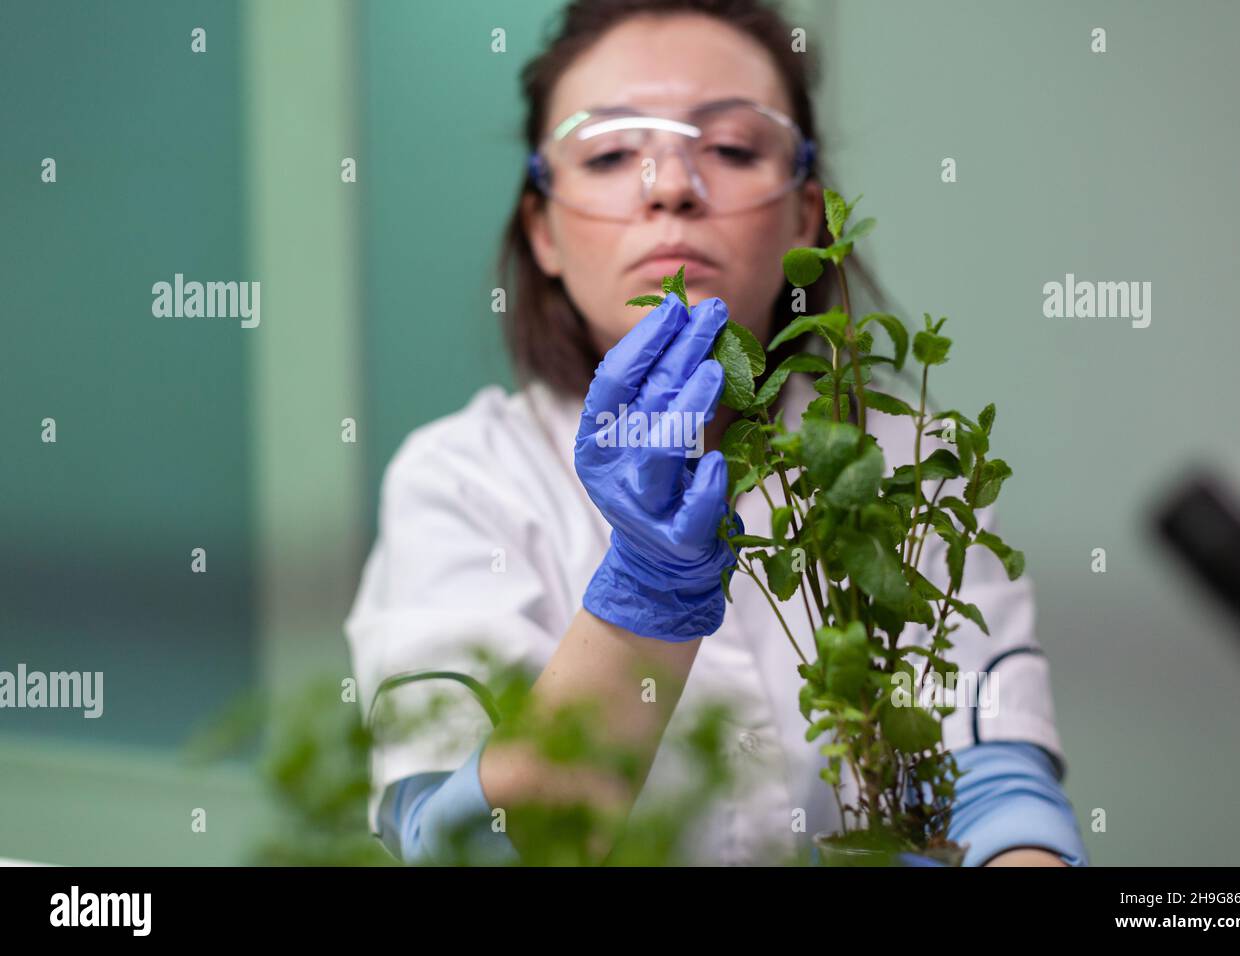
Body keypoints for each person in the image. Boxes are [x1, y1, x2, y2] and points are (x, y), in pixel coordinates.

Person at [344, 0, 1088, 867]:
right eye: (612, 152)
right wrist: (645, 599)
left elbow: (996, 788)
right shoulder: (463, 478)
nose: (670, 186)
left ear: (807, 219)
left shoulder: (910, 466)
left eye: (732, 148)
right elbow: (466, 849)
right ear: (542, 228)